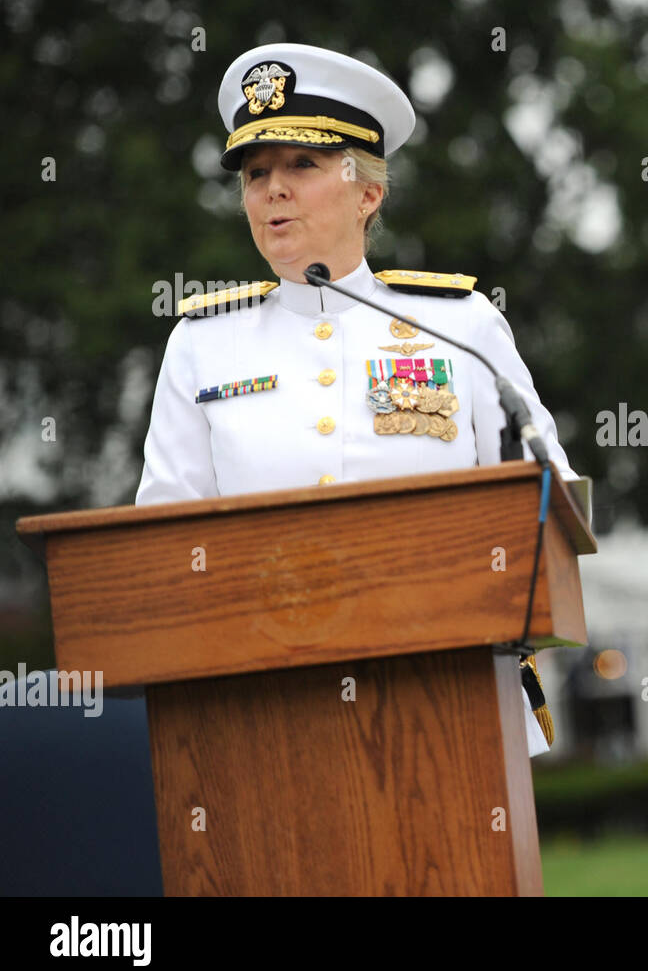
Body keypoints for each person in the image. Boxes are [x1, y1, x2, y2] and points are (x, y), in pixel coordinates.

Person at [135, 43, 573, 756]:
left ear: (367, 191)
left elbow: (548, 500)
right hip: (266, 710)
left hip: (449, 696)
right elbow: (162, 541)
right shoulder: (200, 343)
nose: (273, 189)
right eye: (256, 173)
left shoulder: (458, 323)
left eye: (302, 165)